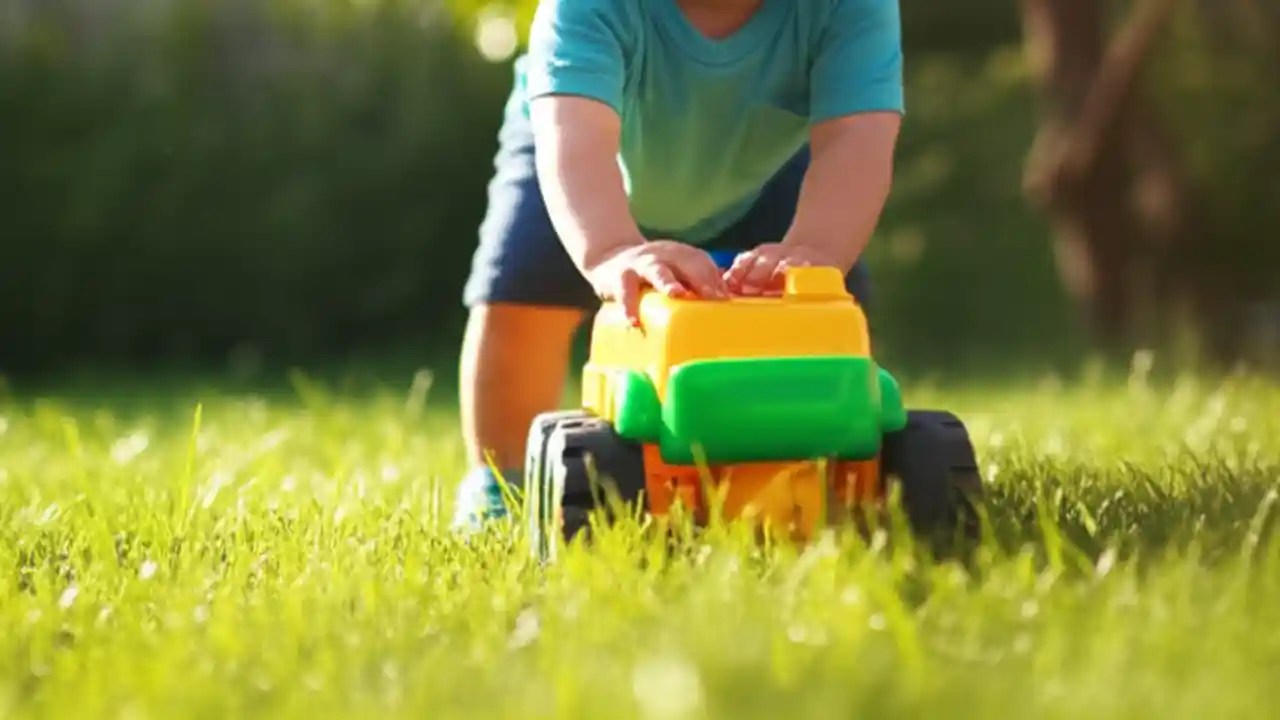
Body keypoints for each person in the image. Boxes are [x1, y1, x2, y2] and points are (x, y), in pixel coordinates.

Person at [453, 0, 904, 531]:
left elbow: (856, 138)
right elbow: (577, 138)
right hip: (583, 168)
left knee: (826, 314)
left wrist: (818, 251)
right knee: (521, 306)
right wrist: (611, 250)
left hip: (765, 167)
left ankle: (828, 463)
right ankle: (502, 481)